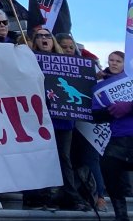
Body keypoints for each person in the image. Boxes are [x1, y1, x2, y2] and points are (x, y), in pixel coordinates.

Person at [25, 26, 89, 212]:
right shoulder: (29, 60)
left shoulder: (70, 62)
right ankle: (38, 195)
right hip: (39, 118)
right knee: (41, 156)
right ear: (35, 40)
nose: (44, 39)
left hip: (63, 118)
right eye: (39, 36)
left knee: (63, 158)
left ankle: (69, 195)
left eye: (47, 35)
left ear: (52, 40)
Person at [94, 80, 133, 221]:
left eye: (118, 61)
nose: (114, 63)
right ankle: (121, 216)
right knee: (108, 168)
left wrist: (130, 106)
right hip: (118, 138)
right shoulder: (103, 86)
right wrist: (109, 110)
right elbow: (95, 116)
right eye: (112, 60)